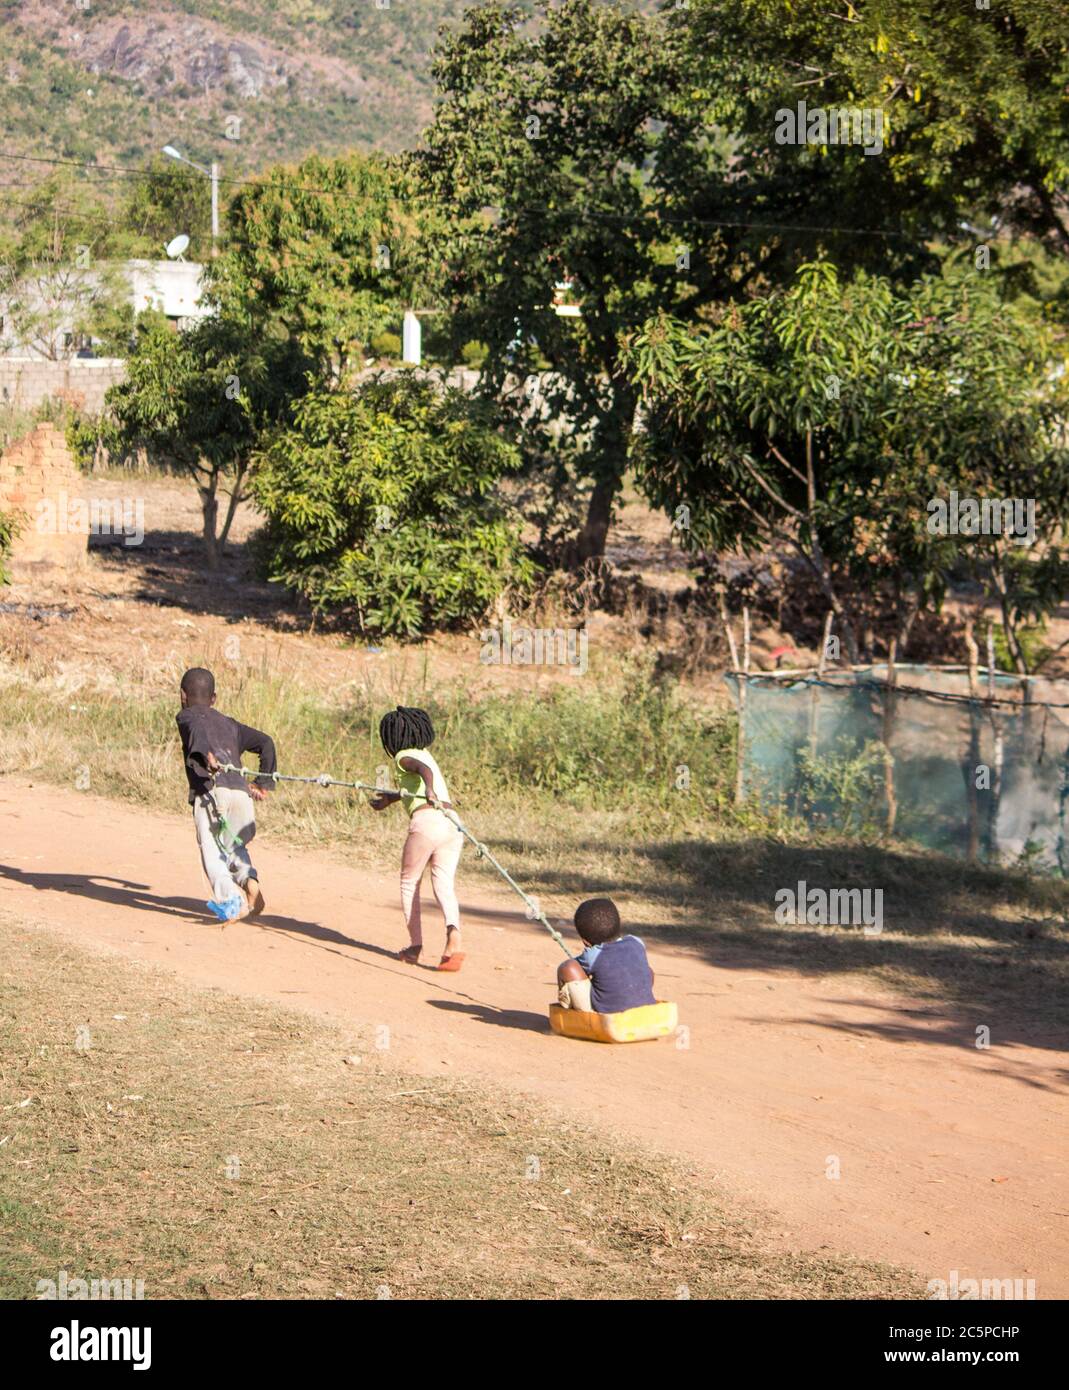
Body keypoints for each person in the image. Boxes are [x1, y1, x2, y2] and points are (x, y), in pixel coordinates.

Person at [176, 667, 277, 924]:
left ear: (182, 696)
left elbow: (196, 729)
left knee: (212, 851)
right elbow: (266, 742)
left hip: (212, 794)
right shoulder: (231, 724)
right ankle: (250, 884)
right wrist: (263, 781)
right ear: (214, 699)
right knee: (233, 845)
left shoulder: (186, 716)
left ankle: (230, 901)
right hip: (241, 795)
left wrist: (205, 754)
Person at [369, 705, 464, 971]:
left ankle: (414, 946)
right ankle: (453, 935)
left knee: (409, 882)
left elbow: (422, 772)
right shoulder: (425, 753)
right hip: (452, 823)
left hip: (427, 822)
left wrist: (430, 789)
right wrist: (391, 798)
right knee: (443, 883)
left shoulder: (403, 757)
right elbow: (416, 784)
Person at [557, 898, 656, 1013]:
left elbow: (576, 968)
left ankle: (568, 1011)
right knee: (647, 970)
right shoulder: (637, 942)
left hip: (608, 1018)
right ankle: (639, 1002)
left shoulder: (593, 955)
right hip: (645, 1012)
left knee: (568, 967)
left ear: (585, 942)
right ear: (619, 925)